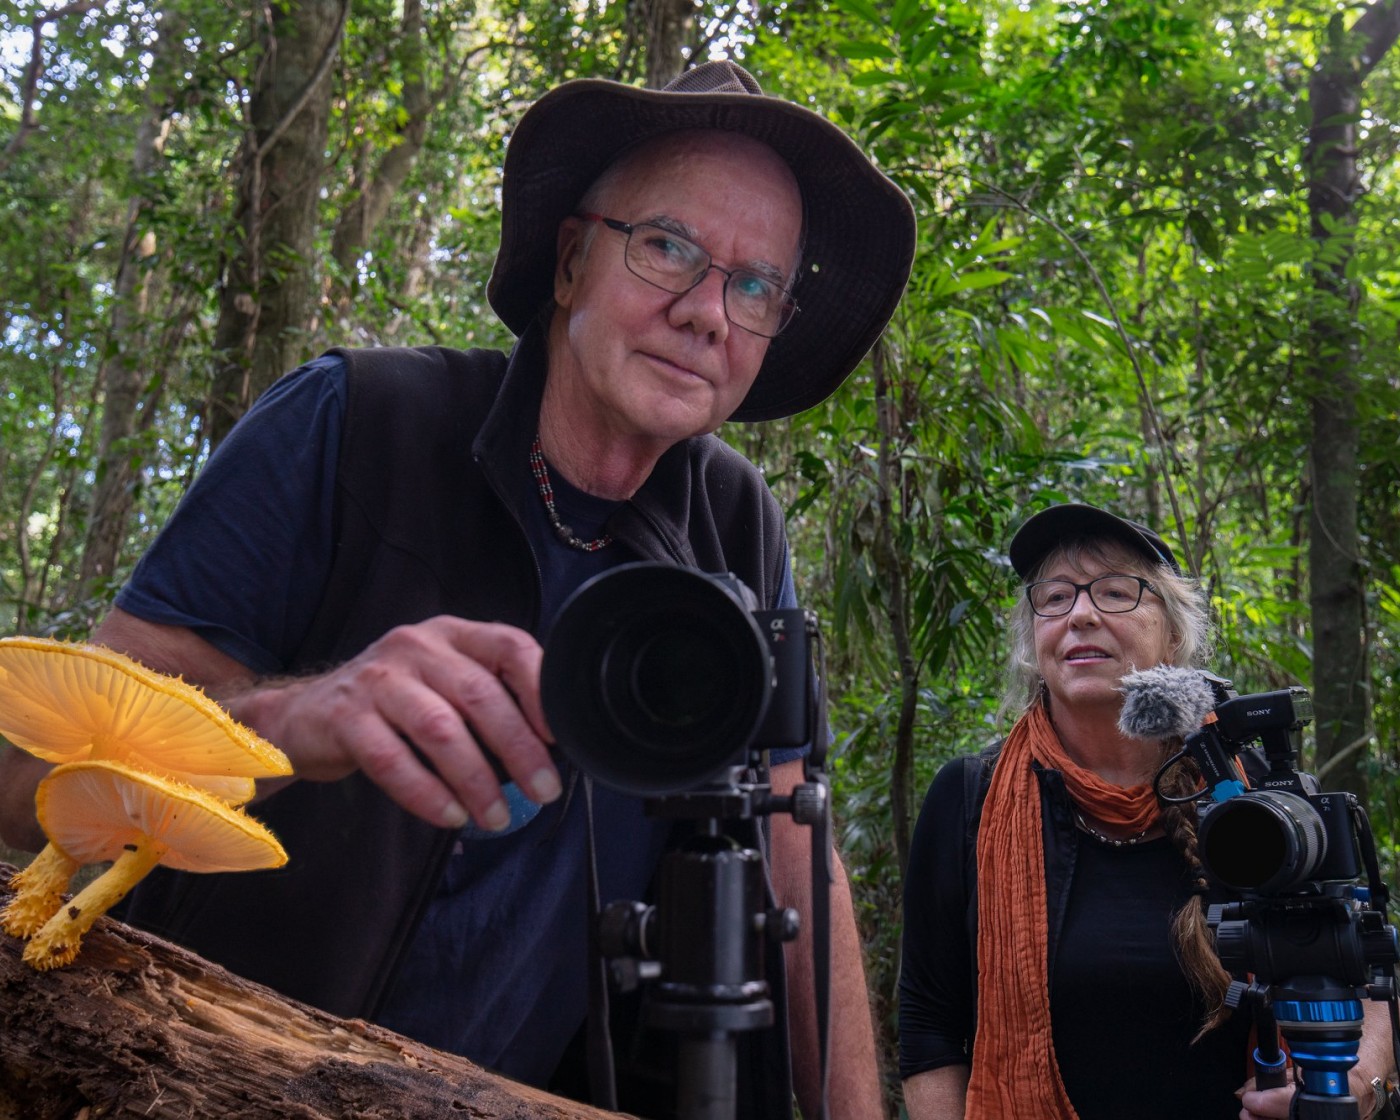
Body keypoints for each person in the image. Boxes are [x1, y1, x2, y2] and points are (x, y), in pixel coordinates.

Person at [0, 61, 915, 1118]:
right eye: (668, 246)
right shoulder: (356, 424)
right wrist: (294, 721)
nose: (707, 312)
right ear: (569, 261)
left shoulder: (737, 528)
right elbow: (24, 782)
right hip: (204, 1082)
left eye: (754, 286)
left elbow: (797, 846)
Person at [897, 503, 1396, 1120]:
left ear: (1174, 634)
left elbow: (1366, 965)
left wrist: (1360, 1082)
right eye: (1055, 598)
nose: (1081, 614)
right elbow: (929, 1025)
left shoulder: (1256, 795)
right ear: (1034, 641)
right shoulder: (970, 796)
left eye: (1115, 592)